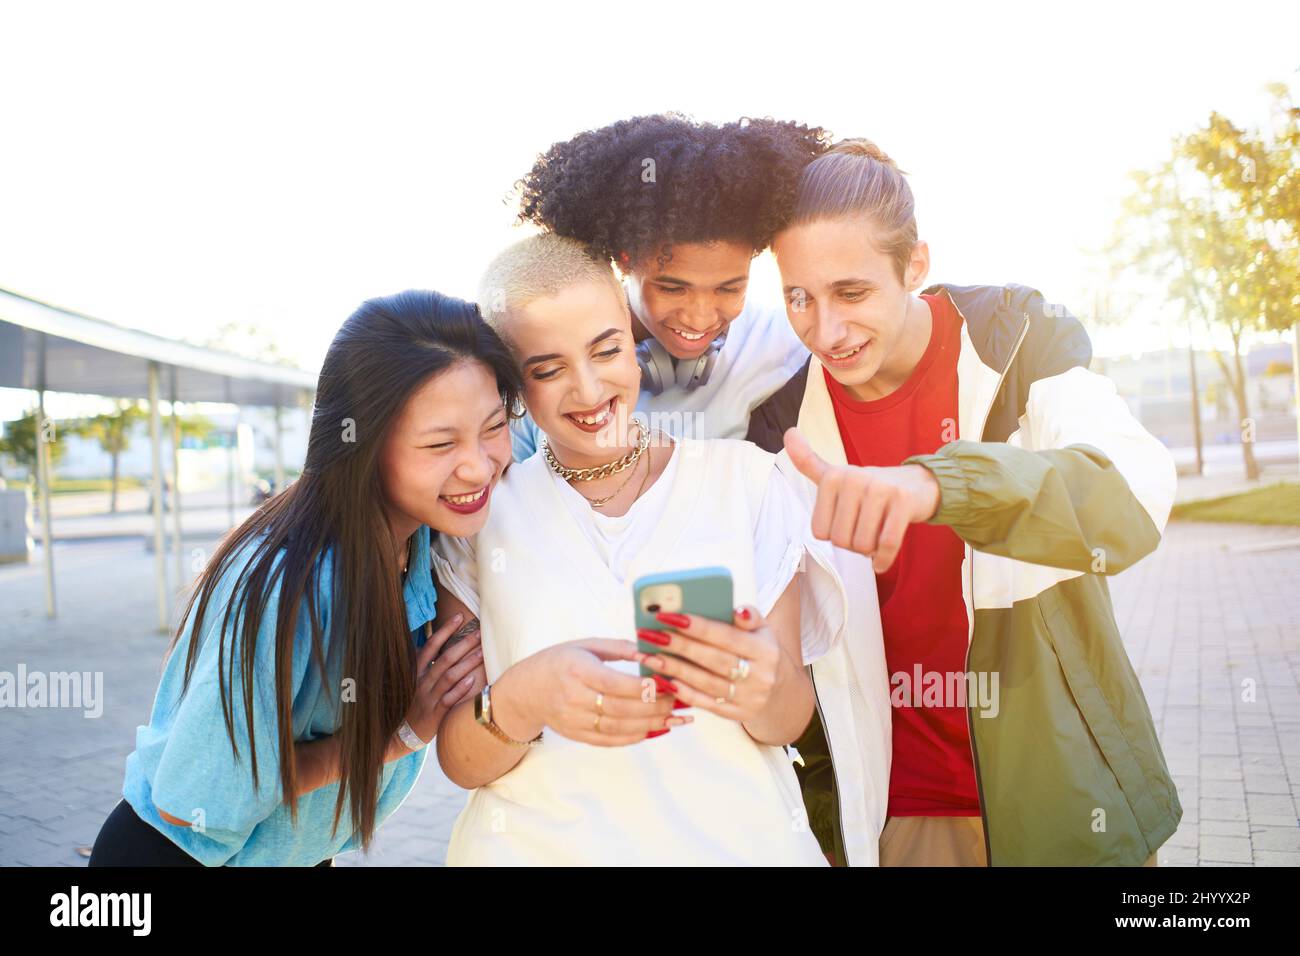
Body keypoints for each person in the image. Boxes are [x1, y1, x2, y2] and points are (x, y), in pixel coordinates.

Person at [747, 139, 1181, 866]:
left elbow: (1131, 496)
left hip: (1065, 791)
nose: (825, 330)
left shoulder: (1017, 343)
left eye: (851, 293)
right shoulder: (780, 425)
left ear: (915, 263)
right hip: (899, 812)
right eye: (799, 297)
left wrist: (940, 485)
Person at [429, 233, 863, 865]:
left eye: (605, 350)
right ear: (512, 387)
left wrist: (758, 685)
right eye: (547, 369)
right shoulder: (483, 516)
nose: (587, 388)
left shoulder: (747, 483)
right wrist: (524, 697)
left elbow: (789, 715)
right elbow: (460, 761)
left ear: (634, 348)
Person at [88, 290, 519, 865]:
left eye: (493, 426)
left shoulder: (421, 536)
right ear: (362, 445)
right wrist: (401, 732)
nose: (479, 464)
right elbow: (201, 796)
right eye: (441, 443)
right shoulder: (288, 586)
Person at [505, 113, 827, 458]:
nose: (700, 318)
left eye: (729, 289)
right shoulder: (545, 356)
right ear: (625, 260)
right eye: (673, 289)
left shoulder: (780, 343)